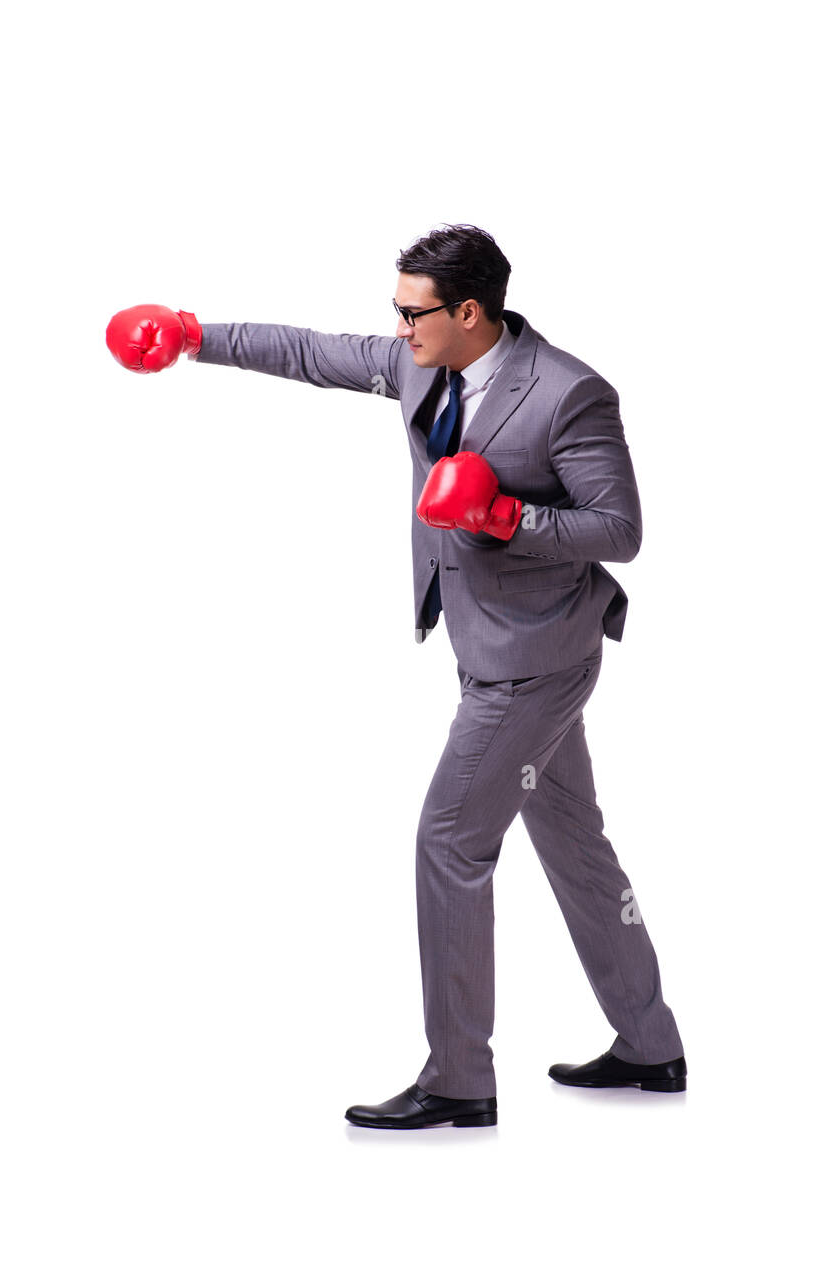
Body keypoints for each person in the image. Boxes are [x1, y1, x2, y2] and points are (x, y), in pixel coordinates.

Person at [106, 223, 687, 1130]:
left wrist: (502, 514)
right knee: (574, 842)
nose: (398, 328)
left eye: (411, 313)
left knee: (449, 844)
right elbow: (310, 352)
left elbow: (618, 531)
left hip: (531, 663)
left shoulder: (569, 394)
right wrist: (193, 335)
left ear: (468, 311)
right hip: (490, 642)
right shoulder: (425, 365)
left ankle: (459, 1076)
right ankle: (650, 1044)